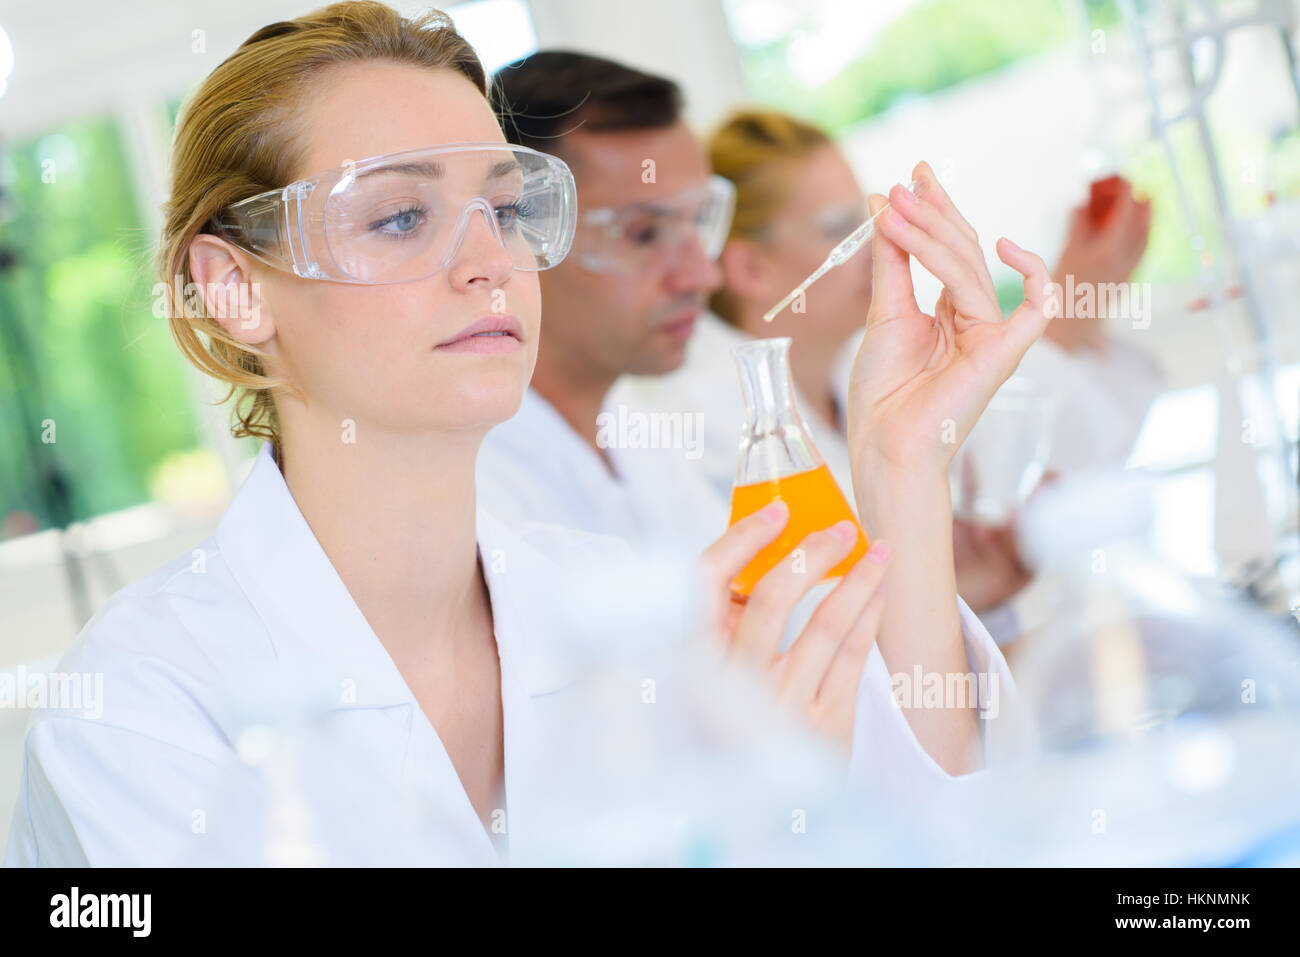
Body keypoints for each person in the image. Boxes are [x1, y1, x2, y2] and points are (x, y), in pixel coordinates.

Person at [4, 3, 1048, 866]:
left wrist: (903, 469)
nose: (490, 262)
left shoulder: (632, 614)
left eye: (505, 210)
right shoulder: (139, 712)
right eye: (400, 217)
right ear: (236, 289)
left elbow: (925, 817)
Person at [481, 51, 1049, 773]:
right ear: (522, 235)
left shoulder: (646, 447)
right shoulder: (487, 502)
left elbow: (849, 710)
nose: (703, 272)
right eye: (644, 233)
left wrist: (907, 477)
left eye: (700, 222)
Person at [614, 108, 1162, 629]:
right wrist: (957, 584)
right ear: (750, 268)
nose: (876, 242)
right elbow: (805, 627)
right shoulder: (704, 426)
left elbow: (1041, 442)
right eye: (838, 227)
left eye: (865, 218)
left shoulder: (856, 366)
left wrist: (1077, 302)